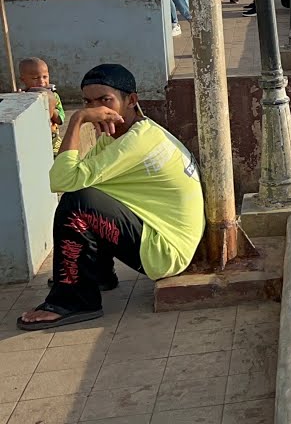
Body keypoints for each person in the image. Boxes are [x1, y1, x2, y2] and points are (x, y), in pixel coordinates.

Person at [16, 64, 204, 331]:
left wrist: (77, 120)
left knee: (77, 204)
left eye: (105, 100)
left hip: (166, 252)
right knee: (89, 192)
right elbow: (75, 175)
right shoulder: (122, 132)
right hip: (159, 234)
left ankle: (74, 300)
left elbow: (62, 182)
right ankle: (95, 275)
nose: (96, 110)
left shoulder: (136, 142)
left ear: (131, 100)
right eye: (88, 103)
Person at [20, 57, 64, 150]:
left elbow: (60, 120)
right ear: (23, 80)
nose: (41, 81)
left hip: (52, 139)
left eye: (45, 77)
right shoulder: (22, 96)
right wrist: (18, 98)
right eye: (35, 78)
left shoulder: (54, 96)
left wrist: (51, 106)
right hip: (32, 139)